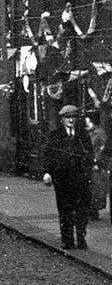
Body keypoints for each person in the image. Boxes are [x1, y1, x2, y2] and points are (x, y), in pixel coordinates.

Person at [43, 104, 93, 249]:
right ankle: (68, 240)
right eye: (67, 117)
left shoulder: (83, 135)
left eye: (73, 117)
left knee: (82, 210)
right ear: (62, 120)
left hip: (81, 179)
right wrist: (47, 173)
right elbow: (49, 156)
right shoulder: (55, 135)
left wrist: (87, 169)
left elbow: (90, 154)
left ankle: (81, 238)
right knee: (65, 210)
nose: (71, 120)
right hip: (63, 180)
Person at [85, 114, 108, 221]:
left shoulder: (99, 133)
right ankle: (90, 210)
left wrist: (97, 159)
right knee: (90, 188)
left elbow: (103, 148)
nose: (86, 124)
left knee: (96, 188)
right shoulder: (89, 133)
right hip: (89, 163)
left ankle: (94, 211)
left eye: (88, 122)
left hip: (97, 165)